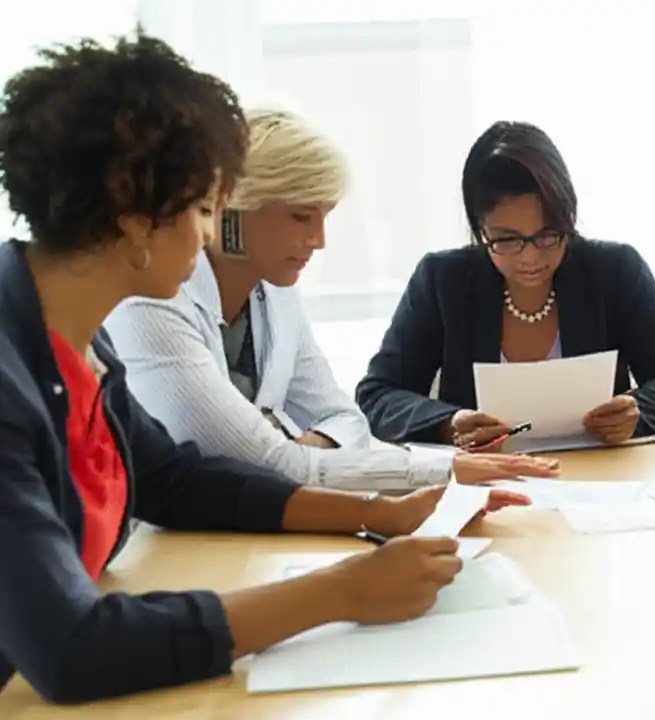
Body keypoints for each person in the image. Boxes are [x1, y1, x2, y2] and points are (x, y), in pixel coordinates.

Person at [0, 34, 528, 703]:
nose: (210, 234)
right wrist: (341, 592)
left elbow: (176, 480)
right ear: (134, 219)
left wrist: (376, 512)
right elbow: (72, 648)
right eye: (201, 209)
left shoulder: (75, 344)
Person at [103, 108, 558, 489]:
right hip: (174, 546)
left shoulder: (275, 293)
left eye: (324, 217)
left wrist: (305, 448)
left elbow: (346, 418)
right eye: (301, 217)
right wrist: (445, 468)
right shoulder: (151, 304)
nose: (318, 240)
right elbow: (264, 465)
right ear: (232, 205)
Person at [356, 121, 655, 449]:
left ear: (567, 218)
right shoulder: (443, 280)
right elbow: (378, 394)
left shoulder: (613, 271)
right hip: (482, 483)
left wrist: (637, 413)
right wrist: (448, 422)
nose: (529, 258)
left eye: (547, 235)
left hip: (603, 481)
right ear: (480, 229)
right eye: (507, 240)